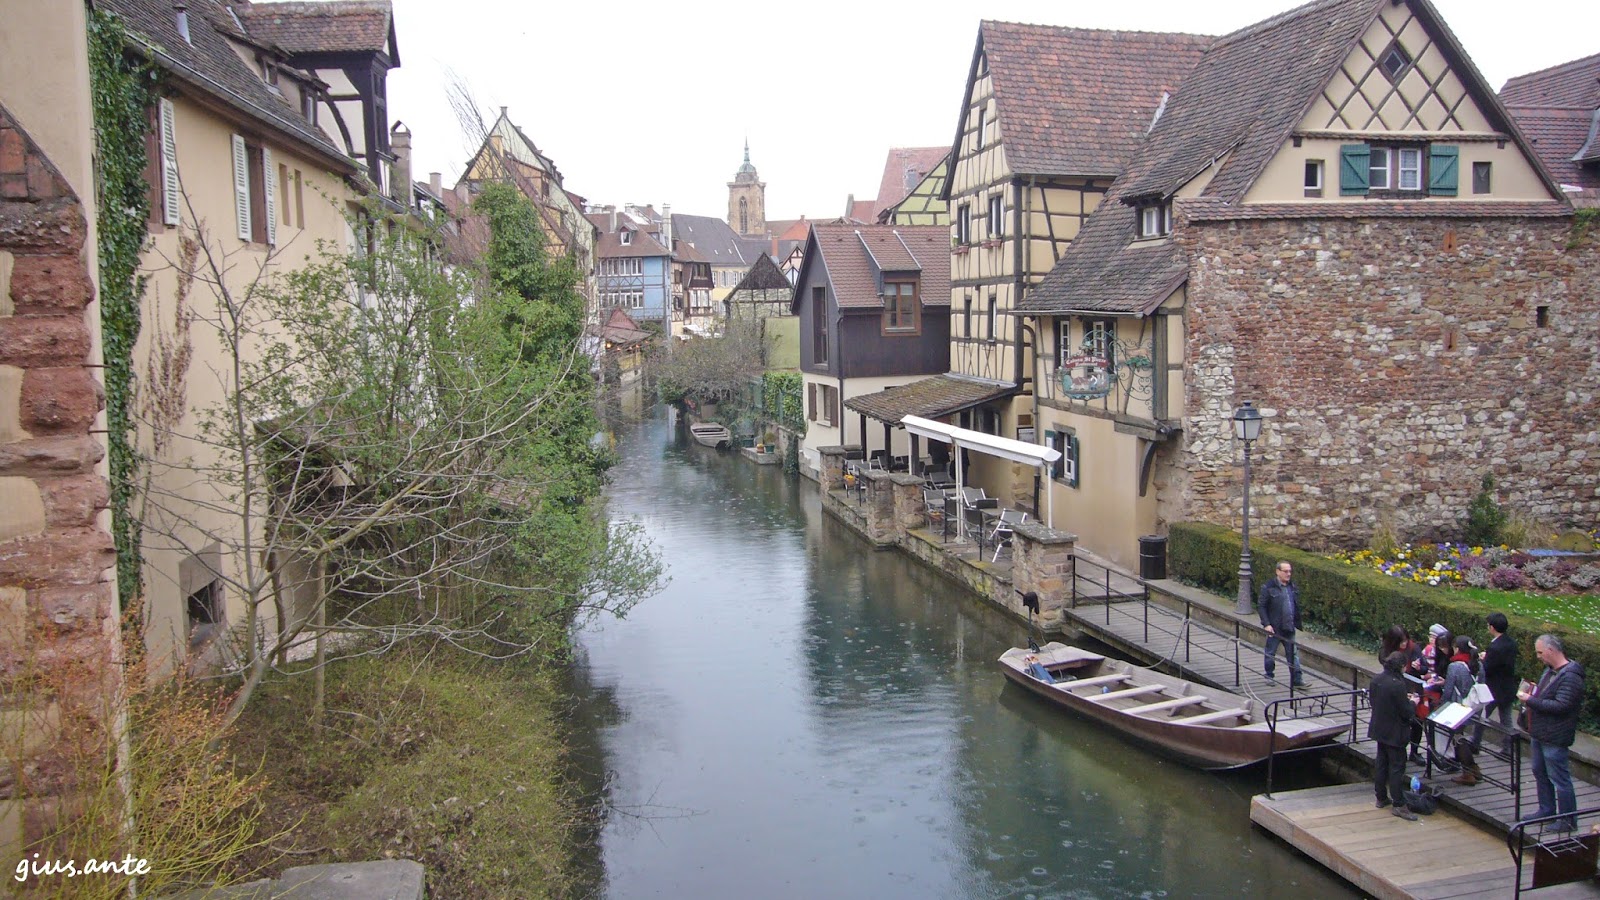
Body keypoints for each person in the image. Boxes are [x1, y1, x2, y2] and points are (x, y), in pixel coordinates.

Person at [1519, 634, 1585, 832]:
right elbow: (1545, 695)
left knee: (1559, 778)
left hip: (1555, 737)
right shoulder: (1549, 671)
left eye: (1540, 652)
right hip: (1540, 733)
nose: (1538, 656)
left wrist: (1530, 700)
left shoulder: (1571, 677)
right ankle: (1546, 810)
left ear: (1551, 650)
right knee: (1539, 772)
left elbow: (1561, 706)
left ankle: (1567, 820)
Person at [1370, 650, 1422, 820]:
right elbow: (1406, 712)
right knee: (1397, 768)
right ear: (1400, 666)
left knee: (1381, 763)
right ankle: (1398, 804)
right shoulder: (1397, 685)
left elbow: (1374, 702)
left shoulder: (1376, 680)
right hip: (1395, 733)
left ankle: (1380, 797)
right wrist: (1413, 703)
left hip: (1380, 729)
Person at [1441, 635, 1483, 785]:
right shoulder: (1478, 664)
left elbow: (1448, 690)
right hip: (1474, 707)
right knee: (1459, 736)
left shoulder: (1454, 666)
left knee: (1458, 738)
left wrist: (1442, 707)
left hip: (1458, 708)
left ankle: (1468, 771)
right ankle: (1474, 769)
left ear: (1457, 648)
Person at [1258, 561, 1305, 687]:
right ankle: (1269, 676)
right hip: (1275, 627)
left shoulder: (1292, 587)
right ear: (1277, 571)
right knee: (1270, 652)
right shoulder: (1269, 587)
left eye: (1290, 571)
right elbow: (1262, 606)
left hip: (1289, 626)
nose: (1288, 574)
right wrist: (1267, 624)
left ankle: (1297, 680)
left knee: (1293, 654)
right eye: (1285, 571)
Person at [1479, 612, 1518, 753]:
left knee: (1482, 716)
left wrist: (1484, 658)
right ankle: (1508, 749)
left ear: (1492, 627)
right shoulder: (1511, 643)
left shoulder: (1494, 647)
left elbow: (1488, 668)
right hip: (1507, 687)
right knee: (1506, 719)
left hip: (1493, 689)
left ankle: (1475, 743)